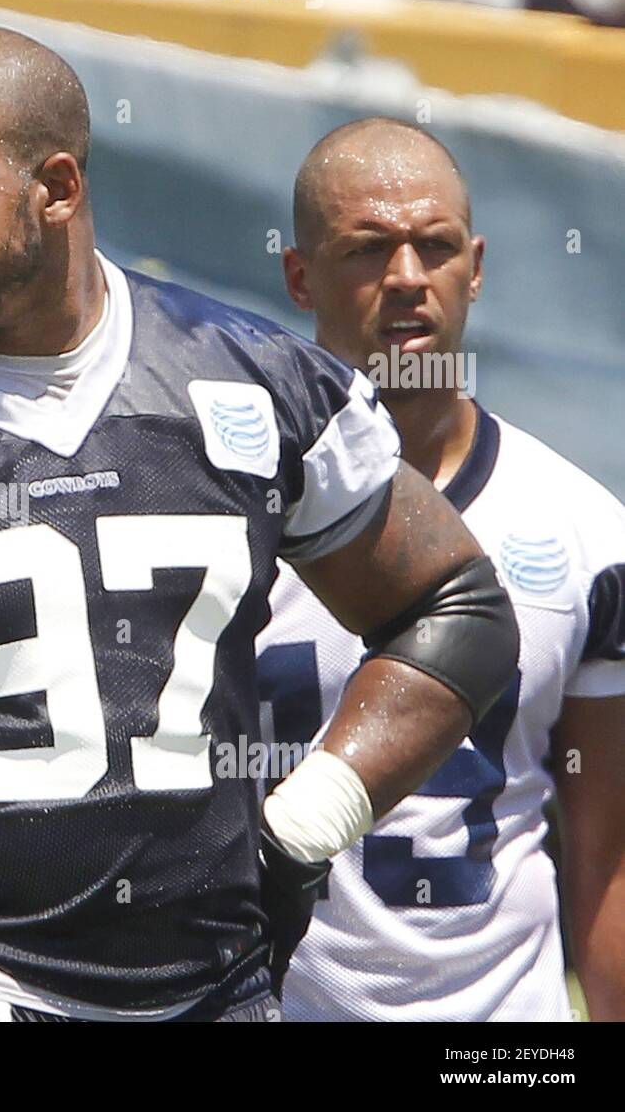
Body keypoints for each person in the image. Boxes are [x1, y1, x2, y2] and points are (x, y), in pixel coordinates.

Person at [0, 29, 517, 1023]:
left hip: (215, 994)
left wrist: (305, 820)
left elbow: (454, 610)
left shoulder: (249, 381)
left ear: (58, 187)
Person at [257, 117, 625, 1020]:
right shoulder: (222, 510)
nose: (409, 279)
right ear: (300, 276)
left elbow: (605, 856)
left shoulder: (588, 532)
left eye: (436, 246)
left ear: (478, 265)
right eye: (369, 249)